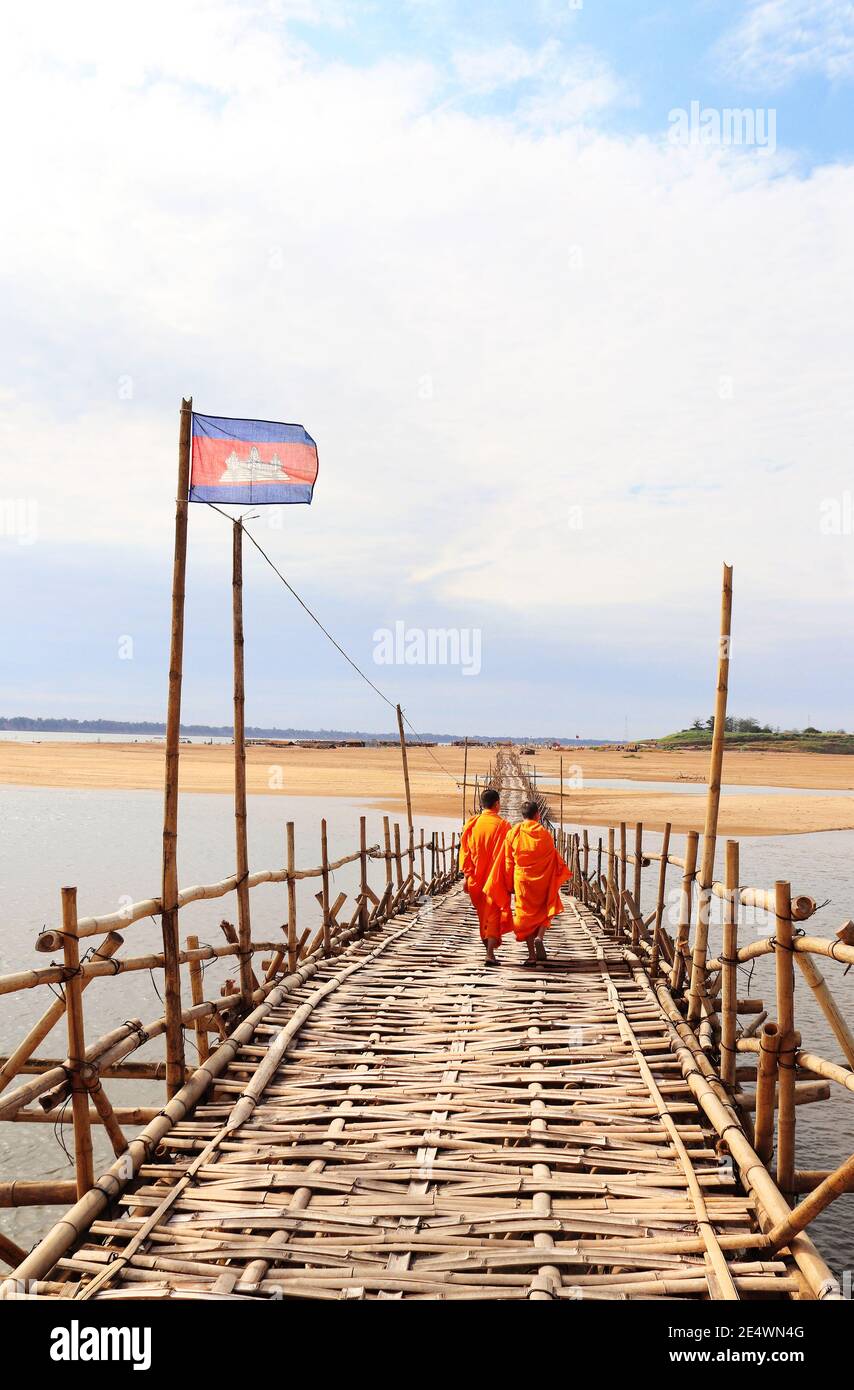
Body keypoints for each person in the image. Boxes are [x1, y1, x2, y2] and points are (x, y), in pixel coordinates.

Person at [484, 799, 569, 964]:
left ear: (523, 816)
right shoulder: (545, 834)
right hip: (543, 880)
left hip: (522, 881)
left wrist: (509, 885)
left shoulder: (514, 832)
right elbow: (552, 858)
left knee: (525, 915)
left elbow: (508, 862)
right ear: (538, 815)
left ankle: (531, 955)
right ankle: (540, 936)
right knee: (547, 906)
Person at [458, 788, 512, 965]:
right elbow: (509, 856)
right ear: (497, 804)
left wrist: (466, 876)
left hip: (475, 879)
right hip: (495, 880)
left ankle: (488, 947)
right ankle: (489, 953)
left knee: (484, 915)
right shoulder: (504, 826)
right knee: (493, 914)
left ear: (482, 804)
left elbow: (465, 853)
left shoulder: (472, 824)